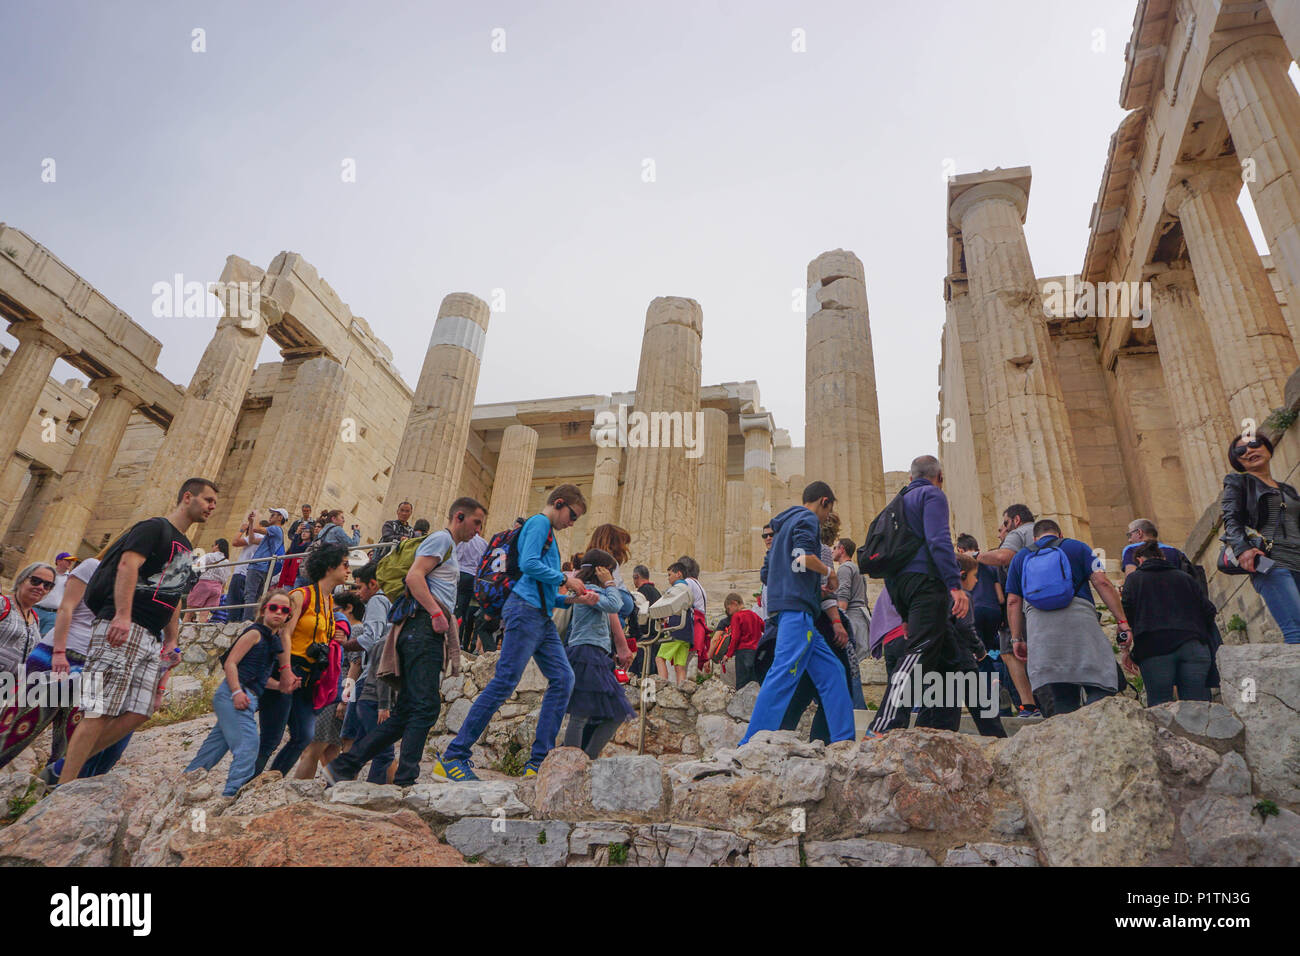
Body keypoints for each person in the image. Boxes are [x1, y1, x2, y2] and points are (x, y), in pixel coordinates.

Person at [57, 477, 218, 784]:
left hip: (150, 636)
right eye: (208, 500)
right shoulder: (153, 527)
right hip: (121, 625)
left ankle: (64, 766)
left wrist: (172, 640)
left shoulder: (185, 546)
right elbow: (127, 566)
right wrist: (121, 614)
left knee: (141, 711)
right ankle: (64, 784)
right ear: (188, 497)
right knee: (99, 709)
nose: (212, 507)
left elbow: (174, 596)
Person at [435, 485, 590, 781]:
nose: (573, 522)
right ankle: (455, 755)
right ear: (559, 504)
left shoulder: (548, 533)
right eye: (573, 515)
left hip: (540, 616)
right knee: (505, 681)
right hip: (525, 612)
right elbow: (529, 565)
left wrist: (573, 599)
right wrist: (566, 580)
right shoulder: (539, 523)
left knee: (563, 678)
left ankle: (538, 761)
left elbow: (540, 587)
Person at [327, 497, 485, 787]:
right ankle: (404, 779)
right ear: (459, 517)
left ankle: (345, 767)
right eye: (476, 522)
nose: (478, 530)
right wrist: (437, 613)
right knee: (425, 707)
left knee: (411, 708)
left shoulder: (446, 545)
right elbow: (414, 577)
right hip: (423, 627)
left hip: (418, 628)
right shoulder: (441, 539)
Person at [742, 481, 854, 746]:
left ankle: (843, 740)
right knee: (783, 673)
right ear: (824, 501)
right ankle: (750, 742)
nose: (827, 517)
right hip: (797, 612)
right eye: (829, 510)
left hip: (791, 610)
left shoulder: (780, 530)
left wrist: (809, 587)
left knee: (833, 673)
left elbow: (766, 574)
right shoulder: (807, 519)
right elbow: (802, 558)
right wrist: (829, 573)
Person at [866, 457, 967, 738]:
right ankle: (882, 726)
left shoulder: (896, 504)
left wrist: (904, 611)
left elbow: (889, 561)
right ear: (940, 476)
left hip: (901, 585)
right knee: (918, 652)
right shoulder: (932, 494)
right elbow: (938, 540)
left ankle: (936, 730)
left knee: (949, 660)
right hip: (926, 583)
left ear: (910, 479)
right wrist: (955, 585)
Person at [1005, 518, 1128, 717]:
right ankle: (1095, 725)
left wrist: (1017, 638)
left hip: (1041, 629)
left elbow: (1012, 601)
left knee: (1062, 695)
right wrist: (1122, 621)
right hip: (1080, 623)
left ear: (1035, 538)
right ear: (1060, 534)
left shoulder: (1020, 557)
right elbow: (1102, 581)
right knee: (1101, 684)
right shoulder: (1079, 547)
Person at [184, 590, 291, 795]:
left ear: (288, 616)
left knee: (214, 747)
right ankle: (231, 795)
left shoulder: (271, 639)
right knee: (249, 746)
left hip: (243, 694)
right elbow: (231, 663)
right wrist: (236, 692)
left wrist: (281, 686)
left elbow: (258, 677)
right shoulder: (255, 633)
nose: (278, 612)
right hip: (234, 694)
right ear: (263, 610)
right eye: (274, 607)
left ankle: (186, 782)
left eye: (284, 610)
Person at [255, 544, 349, 776]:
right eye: (345, 564)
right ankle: (247, 782)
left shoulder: (328, 603)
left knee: (304, 736)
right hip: (288, 669)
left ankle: (270, 779)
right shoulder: (301, 595)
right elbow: (285, 633)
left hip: (308, 678)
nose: (348, 570)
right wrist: (286, 670)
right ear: (330, 567)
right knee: (272, 737)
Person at [0, 556, 100, 772]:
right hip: (58, 659)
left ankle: (51, 785)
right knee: (16, 729)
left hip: (92, 665)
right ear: (21, 580)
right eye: (35, 581)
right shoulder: (3, 604)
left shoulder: (34, 619)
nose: (41, 588)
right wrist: (59, 652)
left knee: (70, 738)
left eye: (47, 585)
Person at [1221, 431, 1300, 644]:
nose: (1249, 450)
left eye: (1255, 444)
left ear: (1267, 448)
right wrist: (1242, 548)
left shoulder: (1287, 490)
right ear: (1237, 460)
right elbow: (1231, 518)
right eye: (1241, 450)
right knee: (1297, 629)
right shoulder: (1238, 482)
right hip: (1271, 563)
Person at [1120, 541, 1218, 706]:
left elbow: (1125, 616)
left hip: (1154, 650)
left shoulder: (1134, 580)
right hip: (1193, 646)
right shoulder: (1185, 577)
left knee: (1160, 705)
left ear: (1140, 561)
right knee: (1198, 706)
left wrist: (1125, 650)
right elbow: (1209, 611)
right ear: (1163, 557)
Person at [559, 548, 634, 758]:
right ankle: (573, 761)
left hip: (597, 655)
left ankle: (585, 759)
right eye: (609, 571)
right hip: (585, 652)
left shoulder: (590, 590)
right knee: (581, 713)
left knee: (614, 712)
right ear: (601, 571)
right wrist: (610, 583)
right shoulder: (589, 590)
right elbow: (615, 605)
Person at [976, 504, 1042, 717]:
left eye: (1004, 525)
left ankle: (1029, 705)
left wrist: (974, 555)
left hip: (1018, 605)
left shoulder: (1018, 533)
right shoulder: (1043, 534)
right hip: (1040, 600)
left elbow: (1003, 558)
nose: (1001, 532)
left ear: (1016, 520)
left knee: (1009, 653)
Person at [294, 589, 365, 779]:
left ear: (348, 608)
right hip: (335, 693)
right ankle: (336, 785)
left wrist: (345, 699)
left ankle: (299, 790)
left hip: (336, 694)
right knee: (329, 750)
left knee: (311, 750)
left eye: (336, 610)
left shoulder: (355, 629)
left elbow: (355, 665)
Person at [339, 562, 396, 783]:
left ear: (373, 584)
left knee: (365, 744)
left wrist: (344, 645)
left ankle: (337, 783)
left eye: (359, 586)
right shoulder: (387, 603)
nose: (357, 592)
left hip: (366, 684)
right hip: (371, 683)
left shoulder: (375, 603)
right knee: (366, 744)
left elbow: (369, 642)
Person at [241, 508, 287, 621]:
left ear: (280, 518)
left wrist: (254, 517)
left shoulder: (276, 529)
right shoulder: (272, 536)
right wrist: (251, 523)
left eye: (273, 515)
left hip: (258, 566)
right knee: (257, 596)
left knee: (250, 594)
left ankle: (247, 621)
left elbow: (256, 529)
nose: (270, 517)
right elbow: (252, 540)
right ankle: (253, 620)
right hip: (264, 568)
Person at [295, 511, 361, 587]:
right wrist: (356, 531)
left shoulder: (322, 531)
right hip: (330, 566)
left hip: (319, 565)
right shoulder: (337, 529)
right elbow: (353, 544)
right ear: (333, 518)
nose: (343, 520)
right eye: (341, 517)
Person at [655, 562, 695, 685]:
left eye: (670, 574)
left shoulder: (676, 589)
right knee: (679, 666)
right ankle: (682, 690)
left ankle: (662, 686)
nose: (668, 578)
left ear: (679, 574)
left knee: (659, 658)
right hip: (687, 632)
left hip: (676, 630)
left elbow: (663, 605)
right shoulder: (688, 589)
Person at [454, 528, 489, 652]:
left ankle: (455, 638)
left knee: (456, 608)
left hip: (459, 574)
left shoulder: (463, 539)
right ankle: (461, 642)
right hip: (473, 577)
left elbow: (456, 555)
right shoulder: (483, 542)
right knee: (464, 611)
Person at [720, 592, 764, 688]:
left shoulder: (737, 616)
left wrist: (728, 654)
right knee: (755, 681)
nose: (729, 612)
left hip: (743, 653)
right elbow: (764, 628)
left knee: (742, 682)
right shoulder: (754, 615)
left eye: (728, 608)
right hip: (756, 652)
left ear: (734, 603)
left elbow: (735, 637)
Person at [1121, 519, 1188, 577]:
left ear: (1139, 532)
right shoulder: (1176, 552)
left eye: (1130, 535)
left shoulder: (1131, 549)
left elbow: (1131, 578)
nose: (1129, 540)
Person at [187, 538, 231, 622]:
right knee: (204, 614)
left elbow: (196, 566)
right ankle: (200, 630)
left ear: (217, 546)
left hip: (204, 584)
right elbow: (225, 579)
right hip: (217, 588)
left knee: (189, 611)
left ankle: (181, 631)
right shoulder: (227, 562)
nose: (212, 548)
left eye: (213, 545)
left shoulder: (210, 556)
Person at [229, 517, 266, 616]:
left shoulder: (256, 536)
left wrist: (242, 530)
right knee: (247, 603)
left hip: (241, 572)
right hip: (253, 574)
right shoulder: (267, 541)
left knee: (234, 604)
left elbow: (235, 542)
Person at [627, 565, 660, 675]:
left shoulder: (640, 593)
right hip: (656, 634)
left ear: (636, 576)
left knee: (643, 670)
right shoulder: (656, 591)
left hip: (645, 636)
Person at [34, 552, 75, 636]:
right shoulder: (47, 575)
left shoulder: (71, 579)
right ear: (59, 561)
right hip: (37, 609)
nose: (70, 563)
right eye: (67, 560)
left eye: (71, 561)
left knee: (42, 639)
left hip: (54, 614)